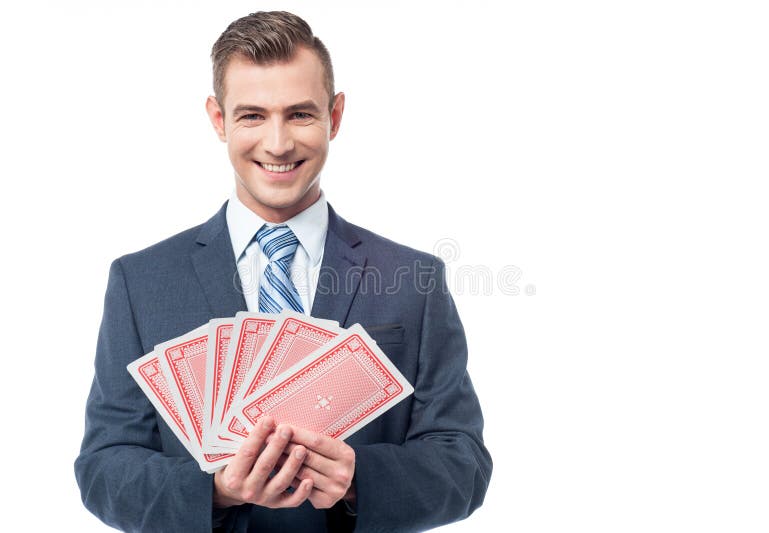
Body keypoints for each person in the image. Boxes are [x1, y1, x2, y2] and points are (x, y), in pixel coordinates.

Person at [74, 11, 492, 533]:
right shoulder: (141, 282)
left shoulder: (414, 279)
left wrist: (360, 478)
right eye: (251, 116)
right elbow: (103, 468)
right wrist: (217, 493)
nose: (277, 144)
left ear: (335, 117)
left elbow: (464, 464)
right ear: (218, 119)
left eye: (300, 114)